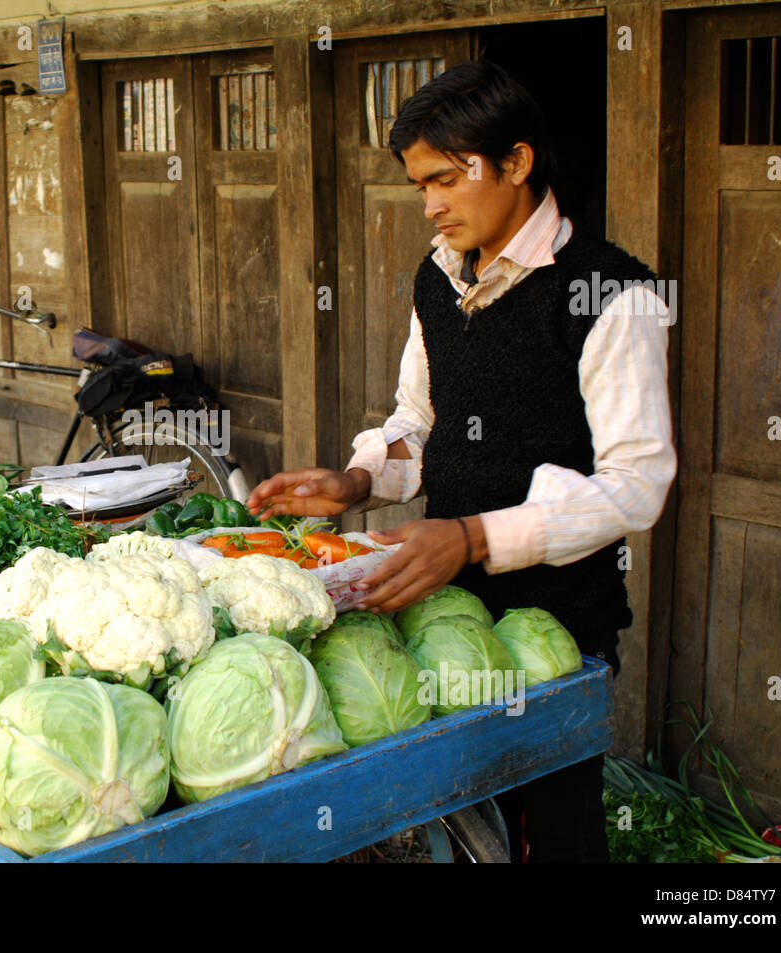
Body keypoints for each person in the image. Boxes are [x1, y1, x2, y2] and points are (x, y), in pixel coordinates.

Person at [246, 60, 676, 862]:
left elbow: (636, 485)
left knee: (556, 829)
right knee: (465, 822)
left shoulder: (611, 296)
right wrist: (361, 479)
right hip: (444, 610)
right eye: (419, 187)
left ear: (516, 163)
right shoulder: (439, 279)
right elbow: (421, 420)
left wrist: (473, 536)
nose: (432, 206)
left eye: (448, 179)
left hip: (558, 630)